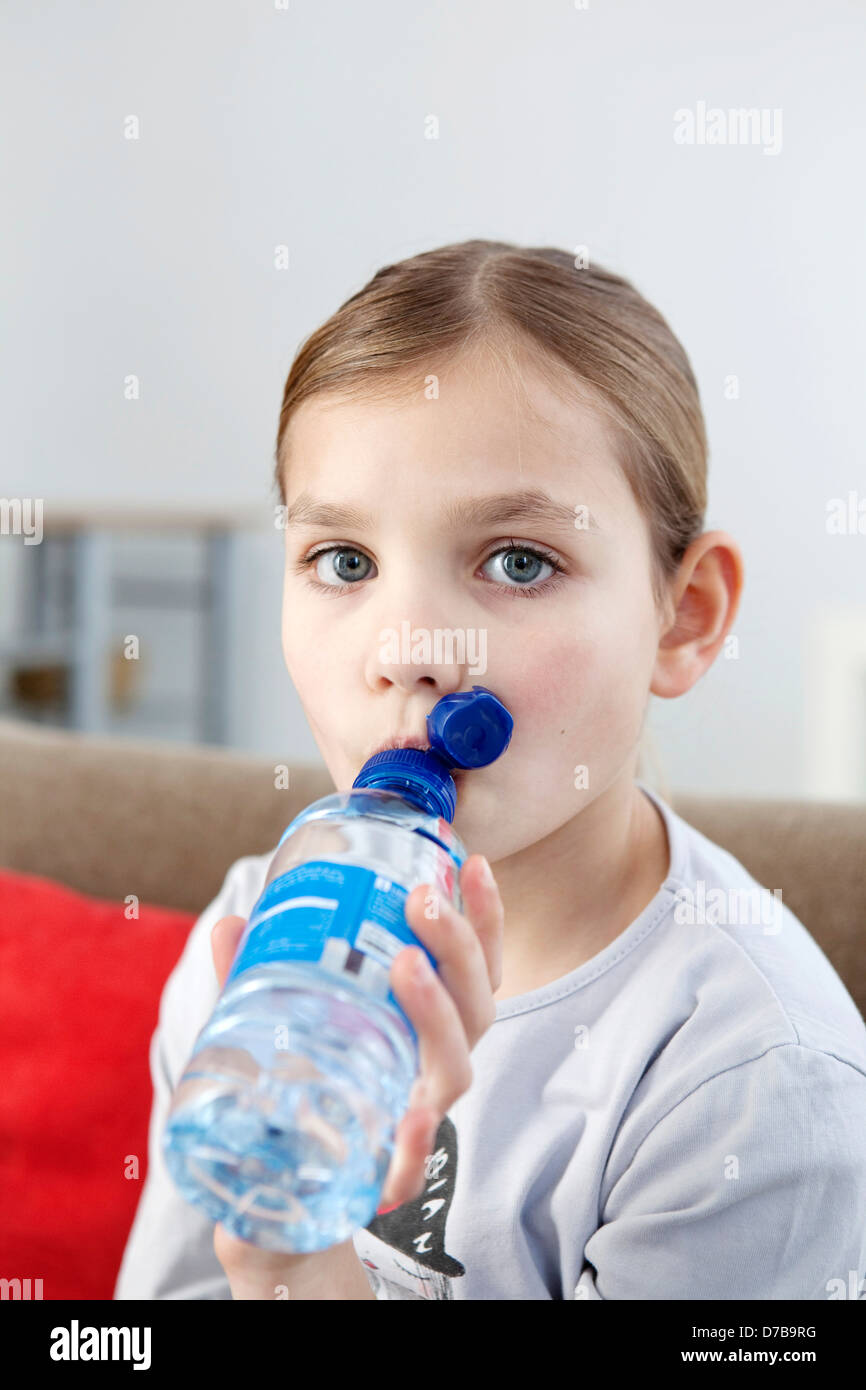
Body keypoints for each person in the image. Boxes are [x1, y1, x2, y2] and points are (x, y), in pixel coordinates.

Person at [114, 240, 866, 1300]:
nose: (409, 647)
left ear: (681, 618)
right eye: (344, 563)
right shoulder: (259, 946)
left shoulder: (752, 1081)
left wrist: (316, 1270)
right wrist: (277, 1258)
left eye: (517, 562)